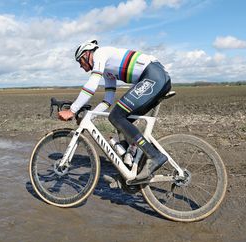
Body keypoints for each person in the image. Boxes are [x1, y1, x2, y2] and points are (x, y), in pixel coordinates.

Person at [58, 39, 171, 185]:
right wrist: (90, 116)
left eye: (80, 62)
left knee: (116, 116)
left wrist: (72, 110)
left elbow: (92, 85)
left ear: (86, 54)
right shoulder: (107, 72)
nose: (81, 67)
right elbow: (108, 100)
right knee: (123, 122)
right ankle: (129, 170)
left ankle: (154, 156)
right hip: (156, 78)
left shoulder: (100, 53)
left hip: (154, 76)